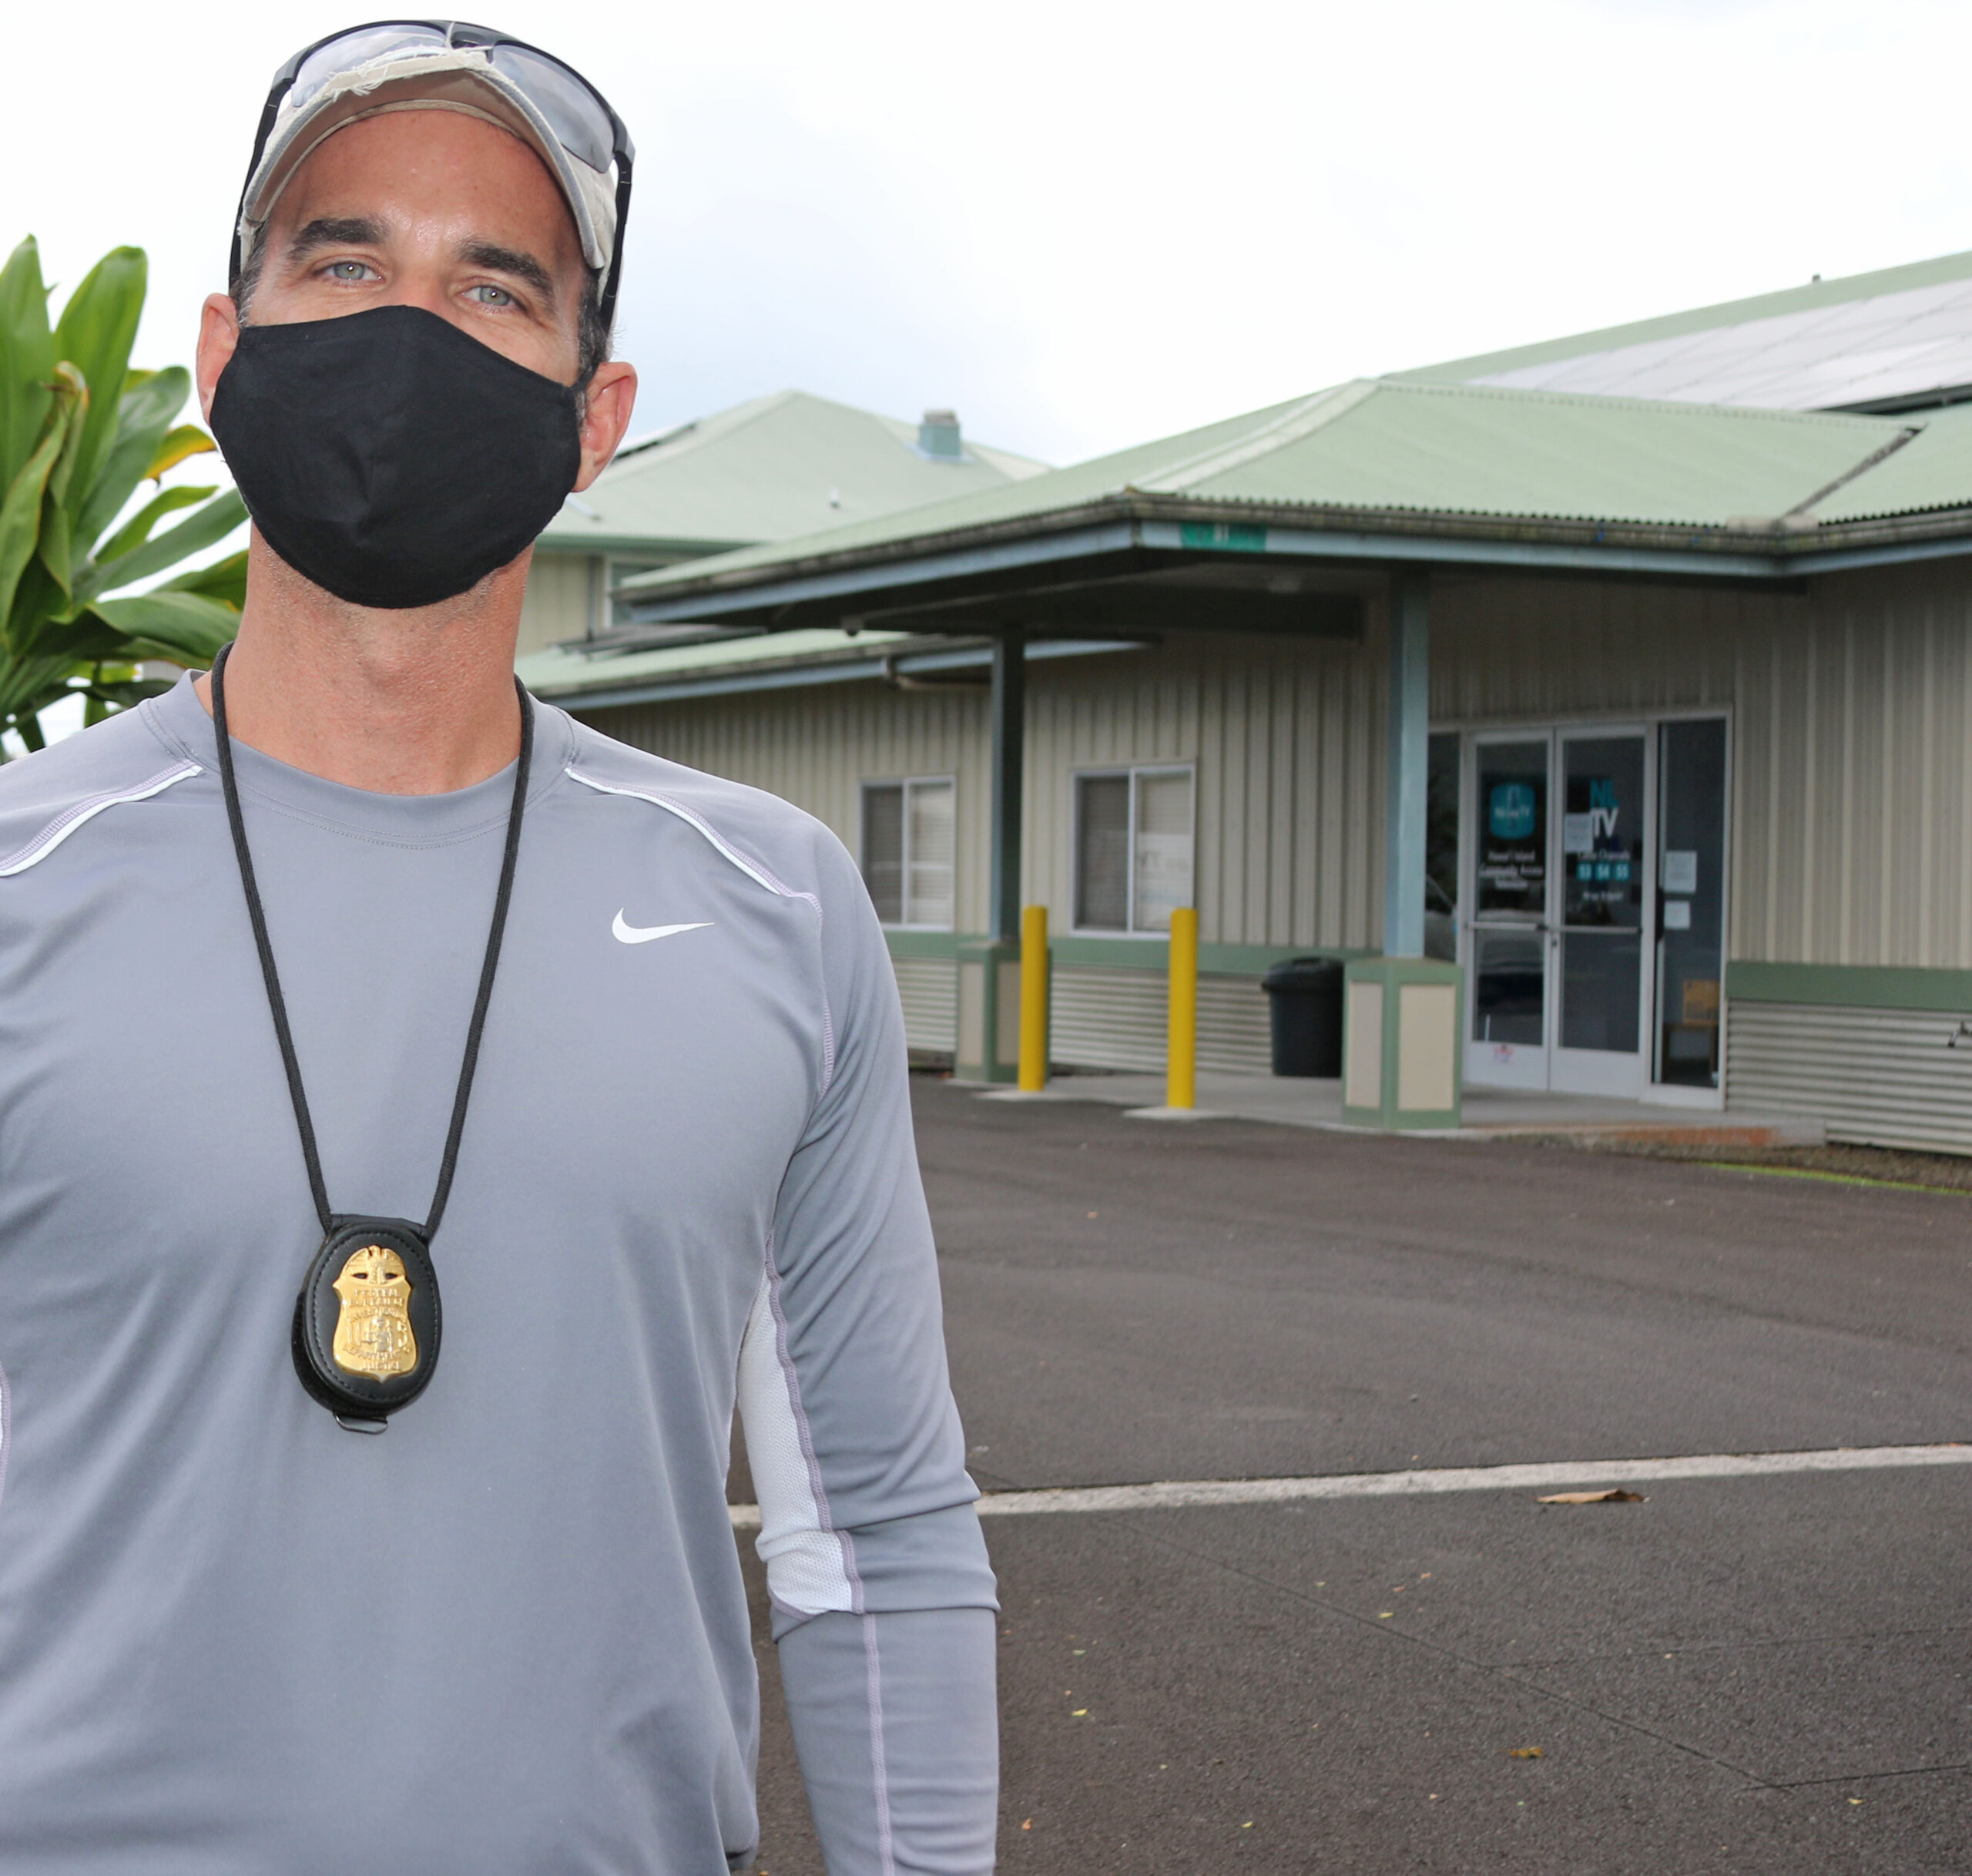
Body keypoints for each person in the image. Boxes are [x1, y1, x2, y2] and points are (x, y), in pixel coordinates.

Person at [0, 22, 997, 1874]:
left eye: (494, 285)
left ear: (588, 416)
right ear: (228, 361)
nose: (408, 330)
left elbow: (873, 1528)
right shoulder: (19, 883)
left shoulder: (768, 908)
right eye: (345, 260)